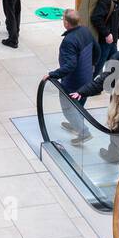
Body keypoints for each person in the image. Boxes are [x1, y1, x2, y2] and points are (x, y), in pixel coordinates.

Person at [49, 8, 96, 143]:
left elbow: (70, 66)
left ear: (67, 24)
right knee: (79, 105)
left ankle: (84, 132)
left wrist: (52, 75)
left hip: (73, 83)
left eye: (63, 19)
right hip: (87, 79)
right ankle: (76, 123)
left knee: (68, 108)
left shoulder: (68, 41)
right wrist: (92, 66)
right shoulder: (86, 31)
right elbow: (97, 50)